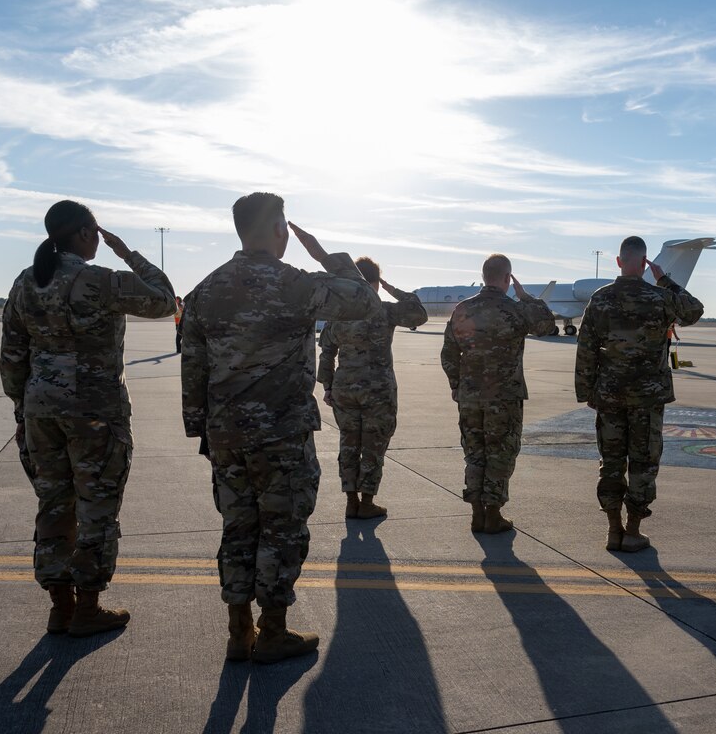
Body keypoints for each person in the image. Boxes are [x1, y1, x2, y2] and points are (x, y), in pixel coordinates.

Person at [180, 192, 379, 664]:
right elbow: (365, 301)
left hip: (226, 434)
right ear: (278, 229)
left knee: (237, 527)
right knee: (281, 529)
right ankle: (272, 631)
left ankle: (238, 631)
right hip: (282, 434)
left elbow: (193, 369)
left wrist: (202, 429)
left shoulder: (205, 290)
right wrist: (330, 259)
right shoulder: (294, 283)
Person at [0, 200, 176, 637]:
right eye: (95, 232)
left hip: (41, 411)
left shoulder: (26, 281)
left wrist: (23, 410)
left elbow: (12, 356)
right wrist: (129, 254)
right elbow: (163, 300)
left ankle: (60, 607)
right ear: (83, 233)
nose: (97, 239)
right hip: (95, 413)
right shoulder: (99, 280)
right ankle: (88, 608)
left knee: (54, 504)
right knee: (97, 508)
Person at [574, 235, 704, 553]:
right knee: (643, 463)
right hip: (648, 398)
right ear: (645, 262)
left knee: (611, 462)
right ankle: (632, 531)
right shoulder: (659, 296)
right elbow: (693, 311)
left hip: (609, 396)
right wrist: (664, 279)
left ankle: (613, 529)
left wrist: (586, 392)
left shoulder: (600, 298)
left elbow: (586, 348)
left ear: (619, 261)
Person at [441, 254, 555, 534]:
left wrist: (457, 385)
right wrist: (526, 297)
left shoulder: (463, 309)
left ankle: (476, 514)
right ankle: (493, 514)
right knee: (500, 453)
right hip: (504, 397)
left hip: (470, 397)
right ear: (507, 278)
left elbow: (448, 353)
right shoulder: (515, 309)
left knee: (474, 452)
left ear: (483, 276)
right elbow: (546, 326)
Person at [317, 258, 428, 520]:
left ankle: (351, 501)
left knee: (348, 443)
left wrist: (328, 386)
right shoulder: (384, 310)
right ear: (375, 283)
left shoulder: (339, 315)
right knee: (373, 445)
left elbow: (327, 352)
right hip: (377, 390)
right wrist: (393, 289)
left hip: (345, 388)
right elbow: (418, 314)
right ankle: (367, 502)